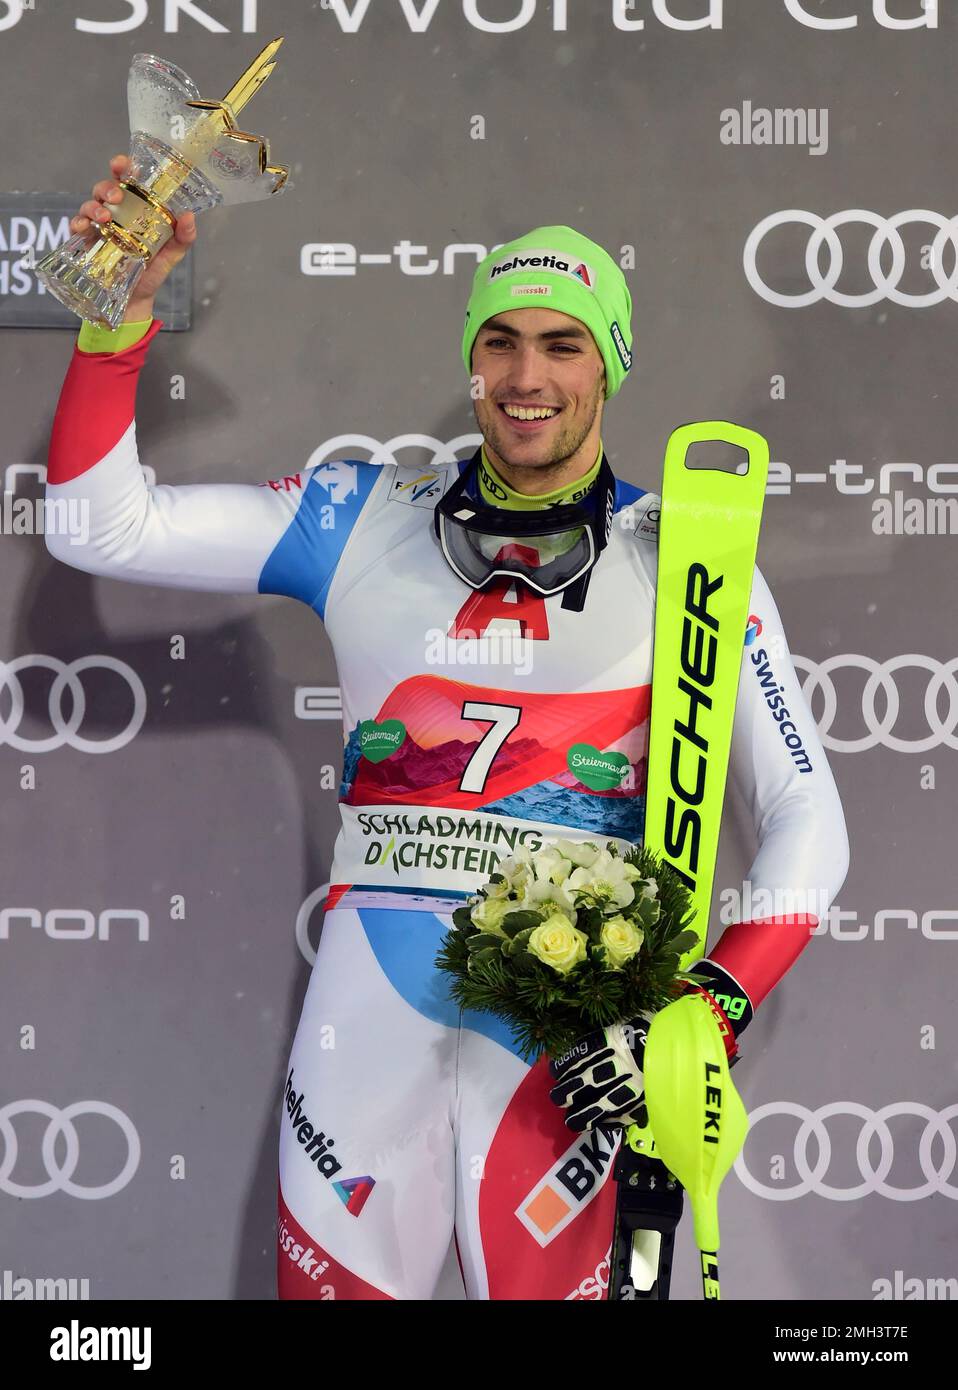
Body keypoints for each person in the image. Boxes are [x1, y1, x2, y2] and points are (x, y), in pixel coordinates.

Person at [45, 155, 849, 1301]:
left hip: (566, 1061)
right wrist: (118, 317)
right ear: (470, 358)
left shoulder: (692, 557)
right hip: (364, 1037)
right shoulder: (362, 513)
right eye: (500, 341)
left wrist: (704, 1011)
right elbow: (94, 528)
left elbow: (810, 818)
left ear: (610, 364)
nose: (527, 376)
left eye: (563, 344)